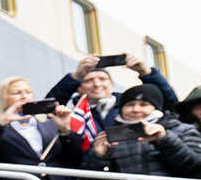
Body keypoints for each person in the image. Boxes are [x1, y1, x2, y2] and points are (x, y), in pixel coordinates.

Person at [42, 53, 177, 131]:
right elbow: (47, 109)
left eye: (102, 79)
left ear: (112, 85)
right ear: (77, 87)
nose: (97, 84)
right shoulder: (75, 113)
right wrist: (75, 76)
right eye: (89, 80)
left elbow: (172, 105)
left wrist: (146, 73)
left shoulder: (128, 106)